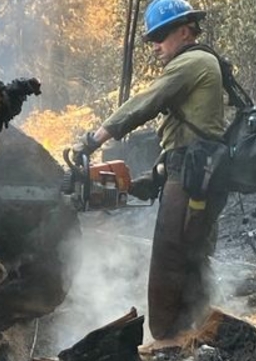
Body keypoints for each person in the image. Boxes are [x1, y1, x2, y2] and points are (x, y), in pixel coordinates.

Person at [71, 0, 228, 342]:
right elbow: (187, 136)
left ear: (184, 30)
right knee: (192, 257)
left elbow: (145, 103)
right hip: (193, 174)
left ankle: (169, 341)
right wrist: (155, 177)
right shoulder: (199, 64)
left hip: (191, 181)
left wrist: (92, 140)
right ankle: (198, 331)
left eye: (160, 36)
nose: (156, 45)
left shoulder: (193, 62)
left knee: (168, 263)